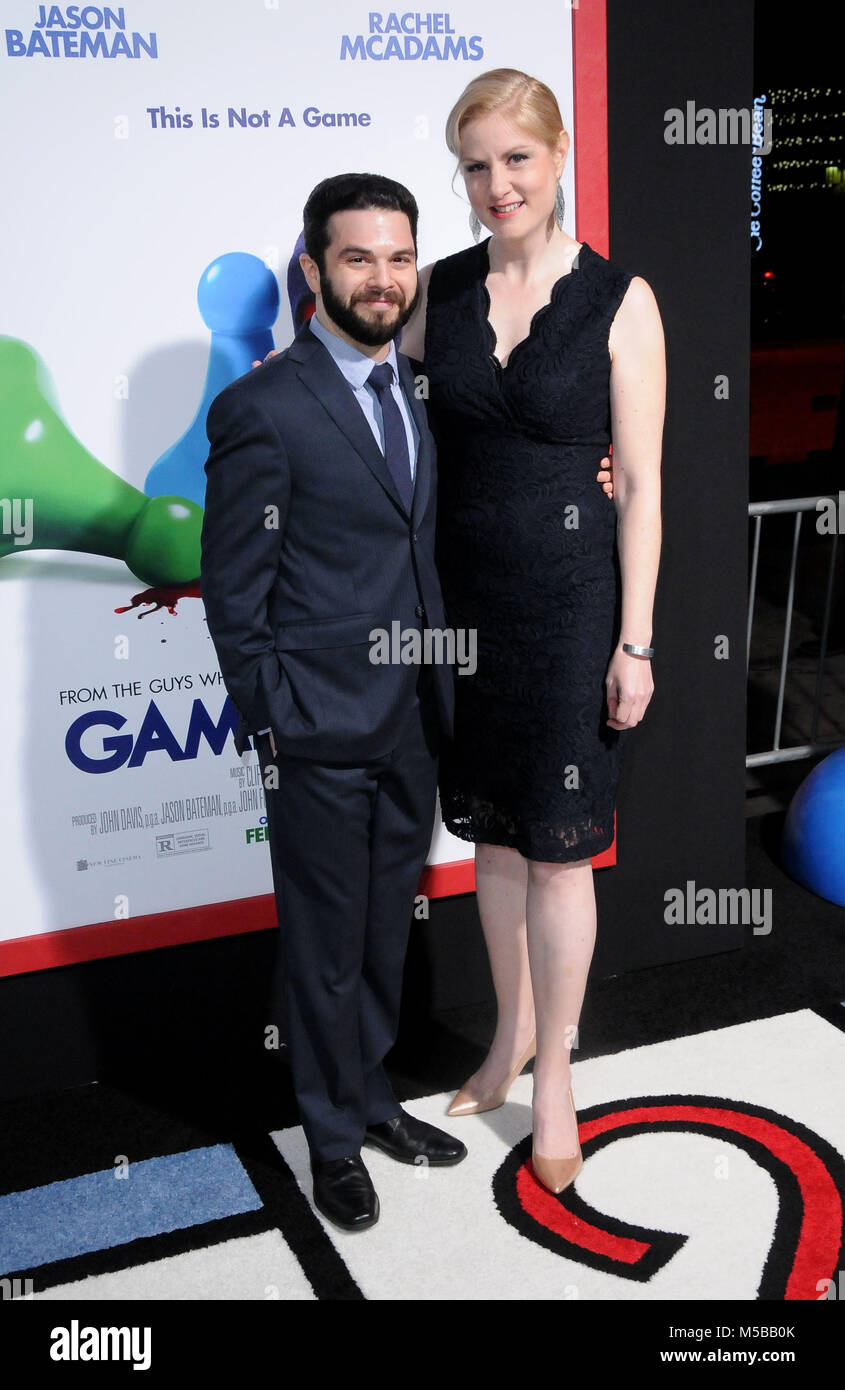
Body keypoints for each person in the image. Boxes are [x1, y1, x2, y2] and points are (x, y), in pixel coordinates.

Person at [398, 69, 665, 1194]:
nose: (496, 183)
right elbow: (385, 418)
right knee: (495, 842)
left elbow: (643, 484)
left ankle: (555, 1072)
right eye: (474, 164)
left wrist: (636, 642)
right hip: (463, 612)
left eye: (516, 157)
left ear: (558, 158)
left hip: (569, 611)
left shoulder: (618, 300)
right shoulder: (437, 293)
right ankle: (505, 1036)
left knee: (559, 852)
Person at [200, 173, 468, 1233]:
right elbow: (233, 590)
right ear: (314, 270)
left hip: (412, 715)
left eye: (398, 256)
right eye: (357, 257)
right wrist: (276, 717)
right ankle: (330, 1142)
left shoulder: (415, 386)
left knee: (381, 937)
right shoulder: (262, 405)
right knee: (322, 943)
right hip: (315, 727)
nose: (382, 277)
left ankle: (371, 1101)